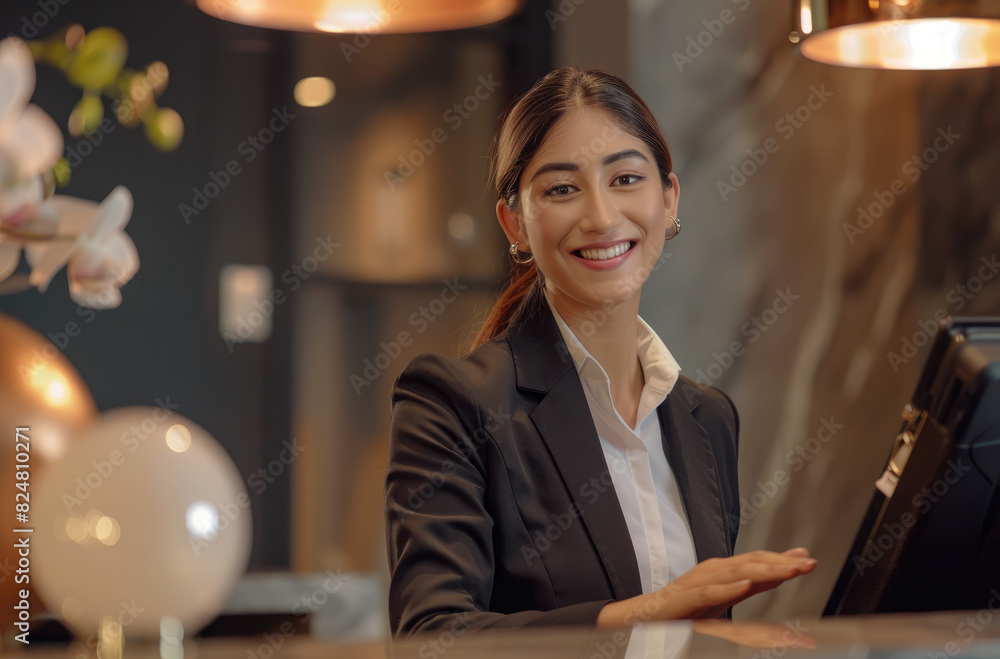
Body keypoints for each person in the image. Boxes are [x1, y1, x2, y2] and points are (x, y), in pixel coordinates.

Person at [383, 66, 815, 638]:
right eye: (562, 189)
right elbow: (429, 636)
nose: (602, 217)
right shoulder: (452, 403)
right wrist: (643, 614)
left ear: (669, 197)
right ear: (515, 223)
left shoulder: (707, 420)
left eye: (626, 179)